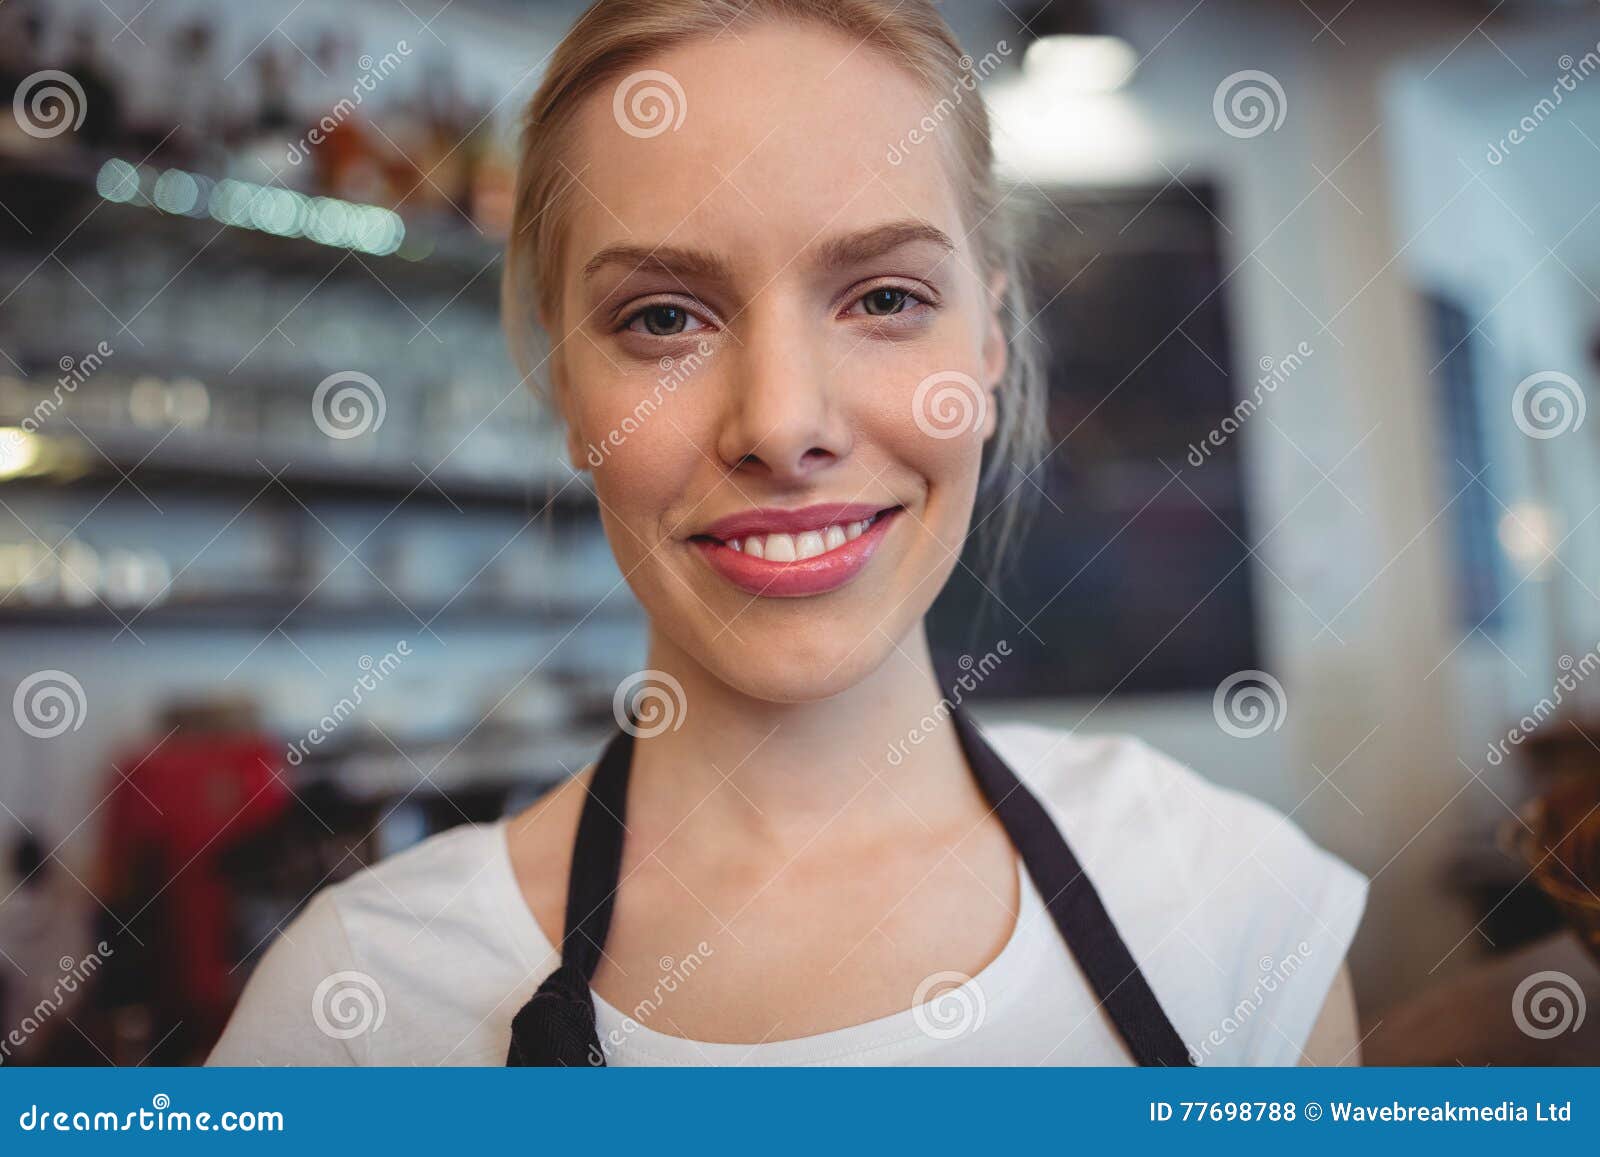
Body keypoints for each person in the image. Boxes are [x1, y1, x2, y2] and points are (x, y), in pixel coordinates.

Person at [210, 0, 1367, 1067]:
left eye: (883, 298)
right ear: (567, 386)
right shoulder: (357, 1003)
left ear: (989, 346)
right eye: (663, 318)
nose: (780, 423)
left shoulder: (1241, 911)